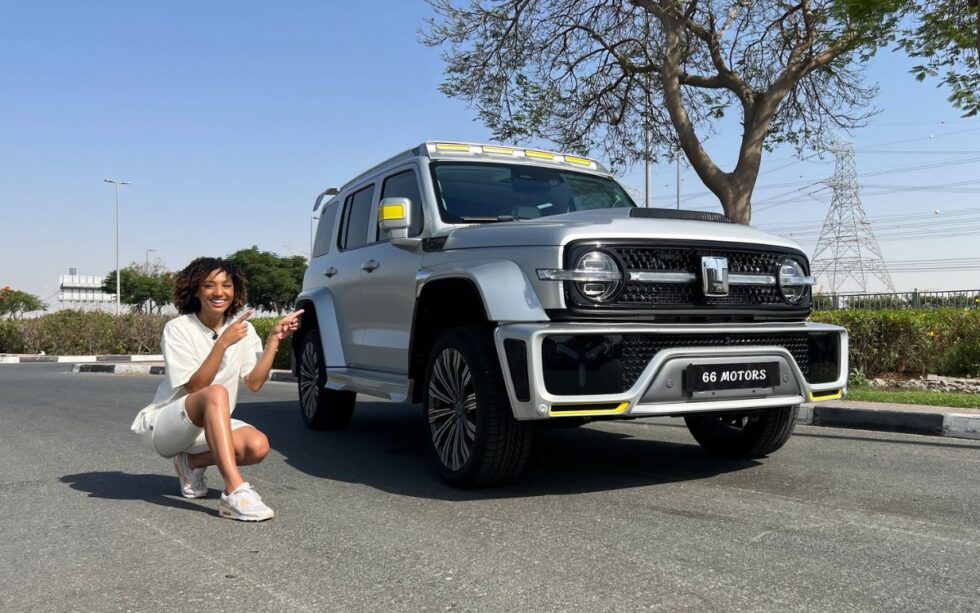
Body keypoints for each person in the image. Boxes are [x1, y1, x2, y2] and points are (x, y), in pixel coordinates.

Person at [130, 257, 303, 521]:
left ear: (235, 291)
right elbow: (196, 386)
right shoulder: (178, 329)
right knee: (216, 392)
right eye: (209, 285)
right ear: (196, 290)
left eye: (226, 285)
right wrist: (222, 343)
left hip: (212, 424)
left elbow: (255, 383)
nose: (219, 292)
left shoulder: (243, 330)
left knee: (257, 446)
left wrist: (274, 340)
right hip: (168, 425)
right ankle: (234, 491)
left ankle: (191, 463)